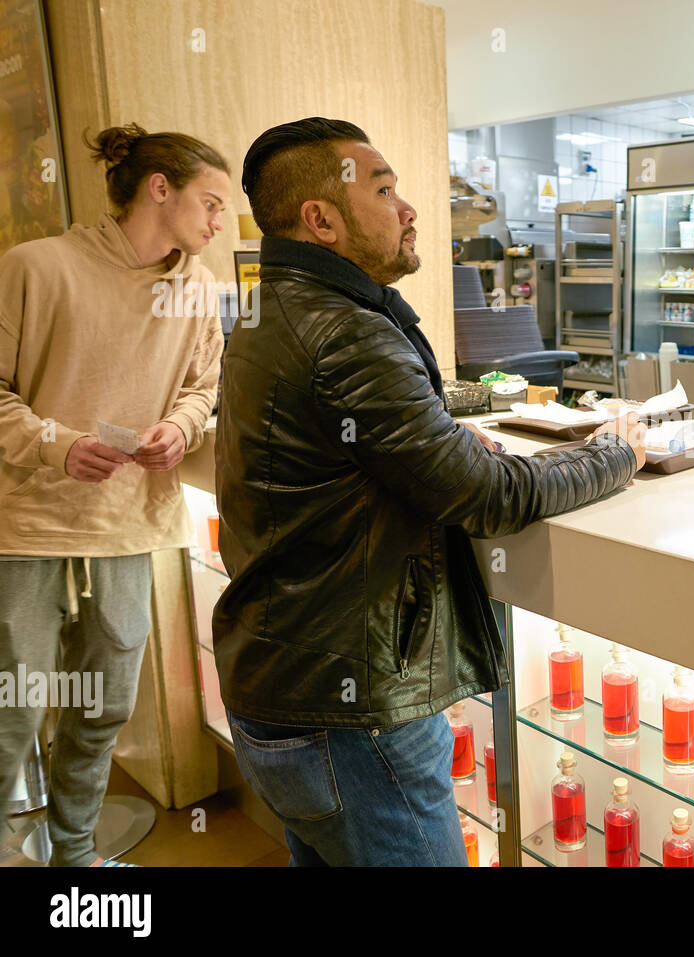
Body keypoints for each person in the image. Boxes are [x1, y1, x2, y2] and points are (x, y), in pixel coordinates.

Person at [214, 117, 646, 867]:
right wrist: (616, 453)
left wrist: (433, 442)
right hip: (351, 713)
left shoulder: (268, 309)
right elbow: (486, 496)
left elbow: (350, 450)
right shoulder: (346, 332)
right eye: (384, 189)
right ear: (320, 219)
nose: (410, 208)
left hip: (278, 692)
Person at [0, 124, 229, 865]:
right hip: (25, 526)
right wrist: (56, 446)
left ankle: (74, 856)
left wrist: (181, 426)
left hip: (130, 525)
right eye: (212, 202)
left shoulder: (197, 287)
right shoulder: (34, 268)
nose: (220, 221)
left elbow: (204, 386)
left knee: (103, 708)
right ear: (159, 189)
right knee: (11, 713)